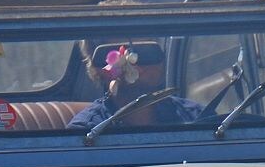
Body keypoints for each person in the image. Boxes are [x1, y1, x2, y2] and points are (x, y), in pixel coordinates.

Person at [66, 41, 212, 130]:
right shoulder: (85, 132)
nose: (138, 62)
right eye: (123, 53)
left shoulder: (196, 117)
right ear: (99, 68)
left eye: (148, 51)